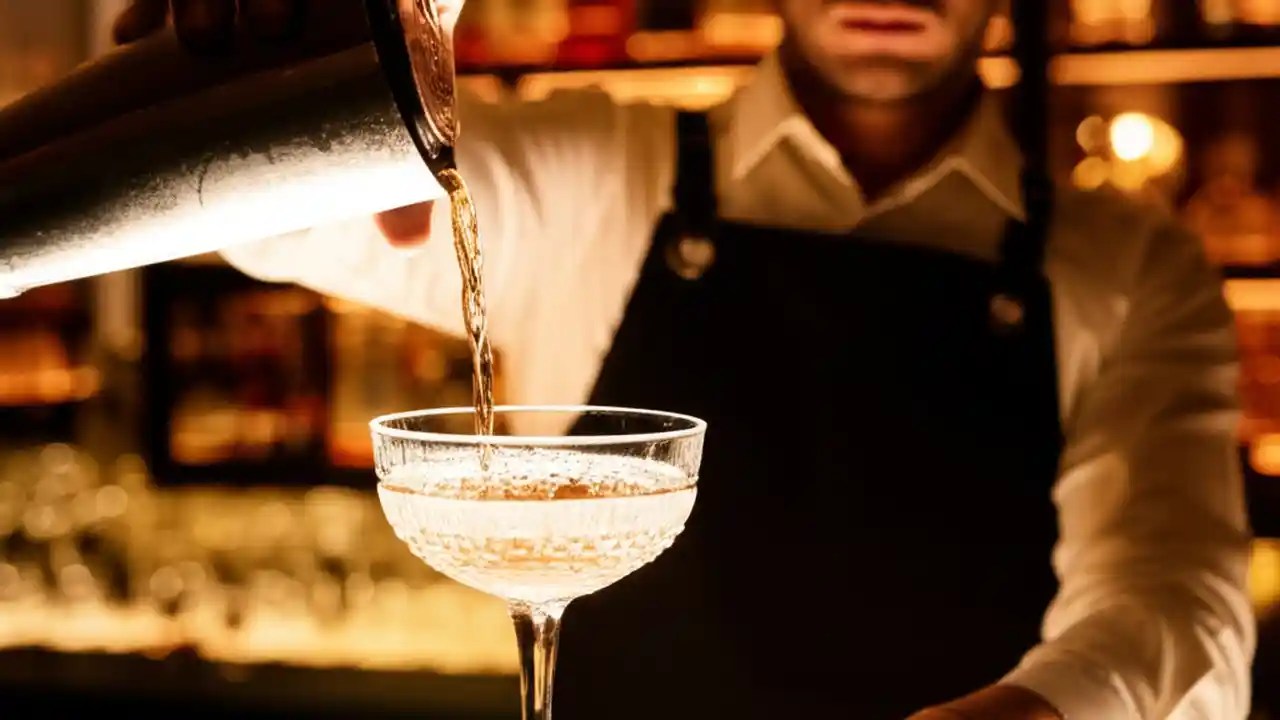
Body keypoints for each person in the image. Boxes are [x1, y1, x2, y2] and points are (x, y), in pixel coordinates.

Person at [115, 1, 1255, 718]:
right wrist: (237, 63)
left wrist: (1039, 711)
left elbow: (1181, 595)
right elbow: (271, 218)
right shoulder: (599, 169)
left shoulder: (1128, 267)